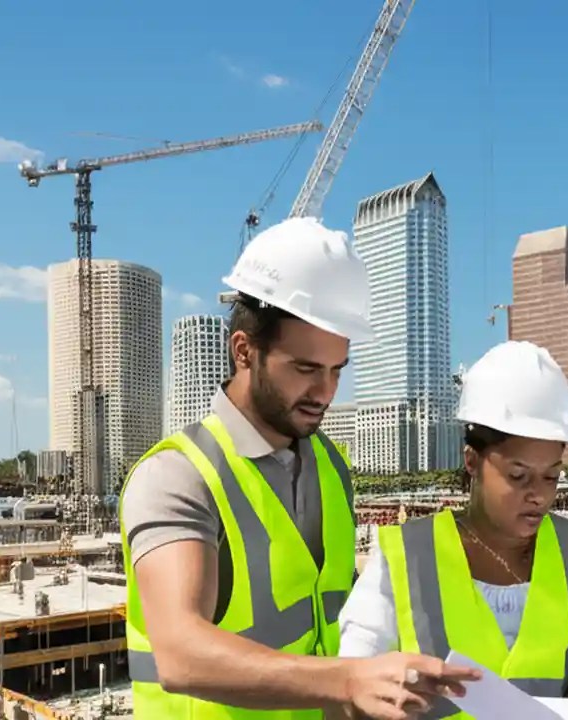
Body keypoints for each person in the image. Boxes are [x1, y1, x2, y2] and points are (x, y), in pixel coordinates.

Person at [119, 217, 479, 720]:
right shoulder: (178, 476)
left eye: (336, 371)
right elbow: (181, 654)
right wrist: (350, 681)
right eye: (306, 369)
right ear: (244, 351)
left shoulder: (330, 465)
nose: (325, 392)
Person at [336, 341, 568, 717]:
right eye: (518, 475)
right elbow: (351, 687)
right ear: (472, 461)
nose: (539, 496)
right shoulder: (407, 555)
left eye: (551, 476)